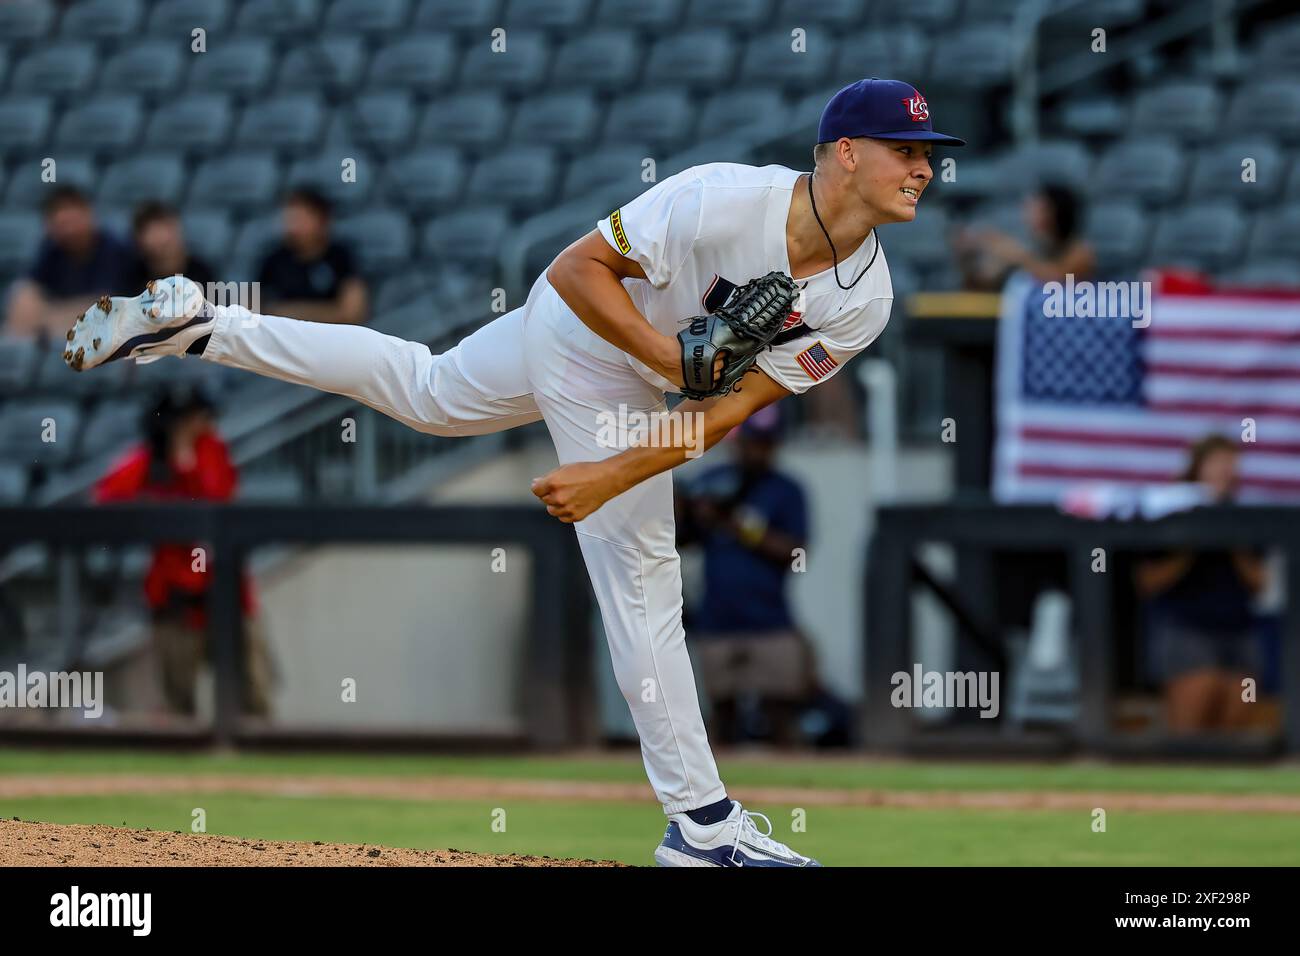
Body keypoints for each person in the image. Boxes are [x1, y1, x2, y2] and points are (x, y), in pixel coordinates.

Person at [64, 78, 964, 867]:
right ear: (846, 154)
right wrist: (665, 360)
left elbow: (725, 413)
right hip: (583, 330)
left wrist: (615, 470)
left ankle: (202, 325)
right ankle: (702, 824)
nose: (924, 167)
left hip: (638, 376)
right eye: (907, 149)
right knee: (644, 575)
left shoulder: (867, 299)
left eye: (929, 154)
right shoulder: (723, 200)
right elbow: (579, 270)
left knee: (425, 390)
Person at [94, 385, 274, 719]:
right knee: (179, 705)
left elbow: (217, 496)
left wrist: (186, 463)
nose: (201, 423)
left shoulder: (212, 450)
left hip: (226, 593)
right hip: (176, 596)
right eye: (190, 418)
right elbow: (106, 498)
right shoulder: (150, 461)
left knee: (253, 696)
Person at [677, 406, 815, 745]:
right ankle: (719, 796)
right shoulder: (710, 481)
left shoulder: (787, 490)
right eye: (752, 442)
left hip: (770, 620)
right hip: (717, 619)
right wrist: (685, 511)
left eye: (765, 444)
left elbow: (796, 554)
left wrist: (740, 526)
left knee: (780, 712)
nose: (757, 451)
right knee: (721, 717)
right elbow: (682, 540)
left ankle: (795, 791)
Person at [1135, 435, 1267, 734]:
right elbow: (1147, 582)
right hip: (1187, 627)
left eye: (1231, 465)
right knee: (1192, 718)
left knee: (1238, 710)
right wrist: (1190, 542)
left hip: (1238, 628)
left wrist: (1234, 540)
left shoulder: (1247, 517)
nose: (1225, 471)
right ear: (1197, 467)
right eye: (1217, 463)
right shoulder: (1172, 512)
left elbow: (1261, 584)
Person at [4, 186, 139, 339]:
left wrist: (46, 318)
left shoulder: (113, 249)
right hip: (58, 326)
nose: (70, 231)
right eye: (62, 225)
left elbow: (104, 307)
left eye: (73, 222)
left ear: (89, 215)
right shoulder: (52, 250)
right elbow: (28, 293)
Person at [255, 188, 368, 325]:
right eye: (289, 218)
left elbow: (352, 314)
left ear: (322, 220)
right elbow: (249, 310)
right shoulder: (272, 258)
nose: (292, 226)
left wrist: (290, 312)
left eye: (300, 218)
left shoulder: (342, 257)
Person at [952, 182, 1096, 289]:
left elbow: (1057, 279)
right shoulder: (1034, 246)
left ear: (1054, 213)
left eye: (1038, 209)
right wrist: (967, 259)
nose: (1028, 214)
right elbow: (981, 283)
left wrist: (1017, 255)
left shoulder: (1080, 251)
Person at [128, 202, 217, 295]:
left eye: (166, 228)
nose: (162, 238)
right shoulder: (131, 279)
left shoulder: (201, 274)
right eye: (153, 232)